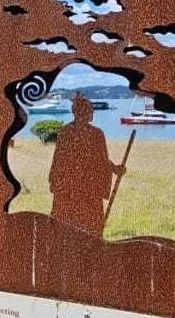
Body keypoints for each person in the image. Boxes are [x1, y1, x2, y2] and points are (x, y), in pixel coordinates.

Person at [49, 91, 125, 237]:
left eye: (90, 110)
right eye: (88, 110)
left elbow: (101, 161)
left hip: (86, 190)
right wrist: (56, 183)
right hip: (71, 190)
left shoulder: (94, 134)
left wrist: (116, 169)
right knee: (69, 229)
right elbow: (59, 160)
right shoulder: (68, 133)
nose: (90, 113)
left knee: (88, 230)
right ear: (78, 112)